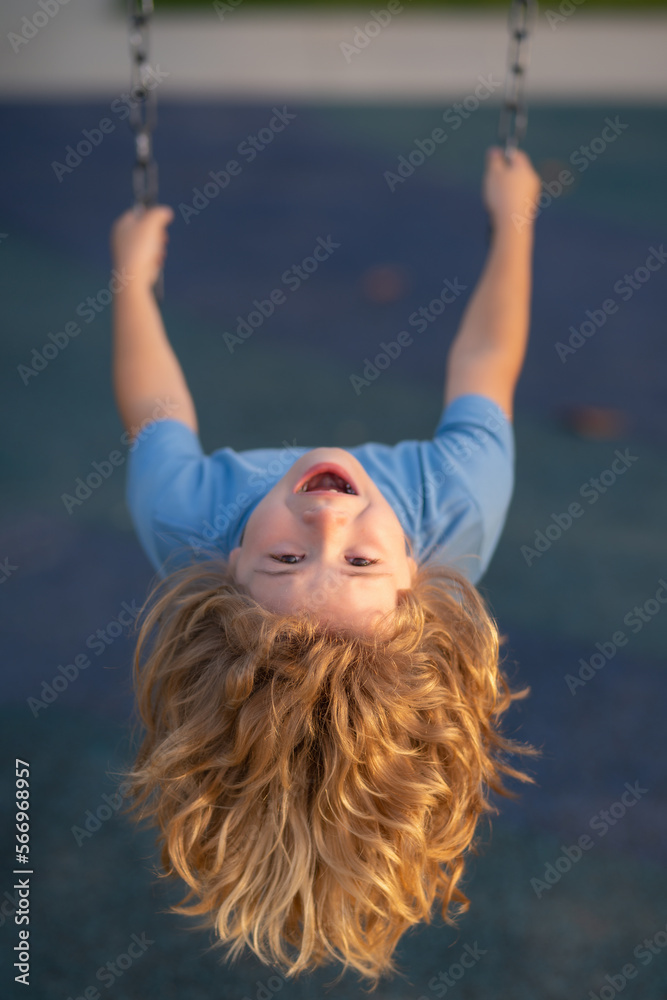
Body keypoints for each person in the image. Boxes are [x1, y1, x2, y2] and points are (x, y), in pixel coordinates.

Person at [111, 146, 542, 987]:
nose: (326, 511)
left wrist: (131, 280)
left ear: (228, 567)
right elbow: (486, 362)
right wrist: (515, 220)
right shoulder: (453, 502)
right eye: (357, 558)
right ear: (412, 576)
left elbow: (153, 405)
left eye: (284, 556)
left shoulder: (187, 519)